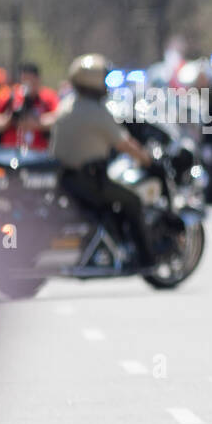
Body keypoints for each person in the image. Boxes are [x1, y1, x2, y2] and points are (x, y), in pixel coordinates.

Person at [50, 55, 158, 266]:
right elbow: (125, 144)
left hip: (66, 178)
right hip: (89, 180)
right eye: (104, 80)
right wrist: (147, 160)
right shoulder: (96, 112)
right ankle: (146, 259)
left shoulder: (67, 104)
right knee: (133, 200)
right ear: (94, 82)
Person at [0, 62, 59, 150]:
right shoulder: (11, 96)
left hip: (38, 153)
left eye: (31, 80)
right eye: (25, 80)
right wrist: (10, 120)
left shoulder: (47, 97)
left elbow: (58, 119)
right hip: (9, 152)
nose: (28, 84)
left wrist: (37, 122)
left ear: (38, 79)